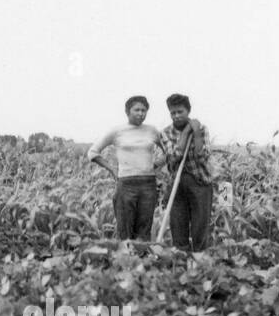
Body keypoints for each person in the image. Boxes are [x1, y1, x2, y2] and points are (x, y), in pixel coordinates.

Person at [87, 96, 169, 240]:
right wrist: (112, 169)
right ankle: (125, 259)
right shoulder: (117, 131)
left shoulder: (152, 130)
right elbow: (92, 152)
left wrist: (156, 164)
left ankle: (142, 260)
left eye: (144, 110)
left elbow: (169, 152)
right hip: (126, 184)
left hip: (148, 184)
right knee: (125, 228)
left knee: (144, 227)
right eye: (137, 109)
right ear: (127, 111)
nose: (140, 113)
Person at [162, 94, 216, 252]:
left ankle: (200, 264)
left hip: (200, 183)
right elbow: (173, 157)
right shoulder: (166, 133)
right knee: (178, 228)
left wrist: (196, 134)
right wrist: (185, 134)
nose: (176, 116)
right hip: (177, 186)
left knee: (200, 228)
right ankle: (180, 265)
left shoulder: (201, 129)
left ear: (188, 111)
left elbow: (202, 156)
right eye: (173, 113)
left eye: (180, 112)